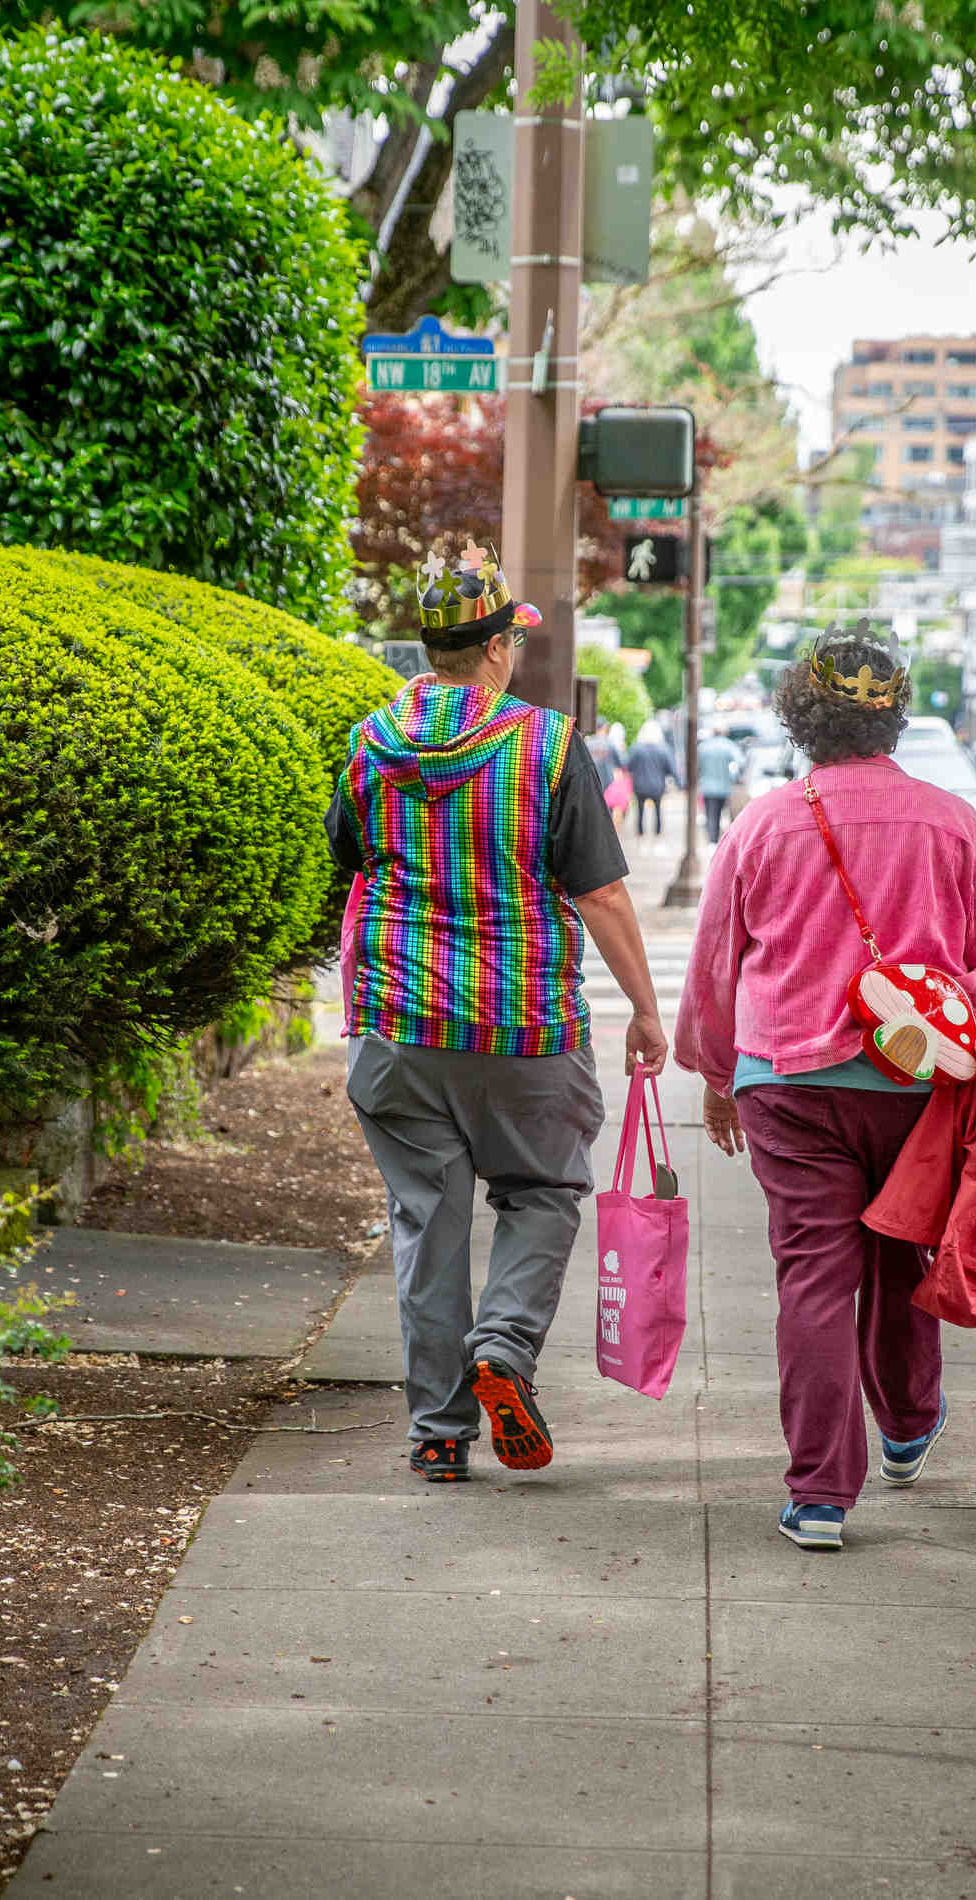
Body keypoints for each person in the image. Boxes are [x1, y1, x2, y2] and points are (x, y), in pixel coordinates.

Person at [671, 631, 976, 1551]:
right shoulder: (955, 824)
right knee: (901, 1257)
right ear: (894, 717)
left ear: (802, 715)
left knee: (814, 1279)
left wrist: (719, 1073)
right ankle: (909, 1424)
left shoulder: (762, 823)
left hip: (789, 1082)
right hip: (920, 1089)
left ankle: (820, 1495)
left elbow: (719, 964)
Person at [331, 545, 670, 1485]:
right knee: (545, 1193)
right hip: (525, 1030)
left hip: (400, 1028)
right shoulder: (547, 745)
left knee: (427, 1223)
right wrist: (645, 1012)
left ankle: (438, 1434)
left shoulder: (370, 743)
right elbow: (599, 896)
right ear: (495, 646)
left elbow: (353, 864)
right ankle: (505, 1349)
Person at [625, 724, 677, 837]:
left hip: (640, 786)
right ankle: (657, 833)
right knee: (658, 810)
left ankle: (640, 833)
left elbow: (628, 766)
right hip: (657, 786)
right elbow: (671, 769)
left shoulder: (636, 749)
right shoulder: (663, 749)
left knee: (640, 810)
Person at [696, 726, 743, 843]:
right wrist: (733, 776)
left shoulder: (703, 747)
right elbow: (741, 762)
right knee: (725, 814)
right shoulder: (728, 745)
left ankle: (712, 840)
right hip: (724, 787)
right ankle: (724, 840)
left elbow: (696, 766)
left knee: (711, 814)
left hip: (707, 787)